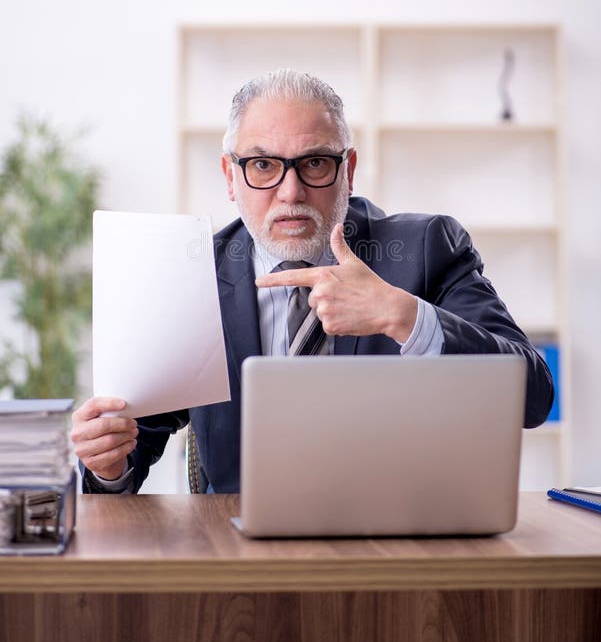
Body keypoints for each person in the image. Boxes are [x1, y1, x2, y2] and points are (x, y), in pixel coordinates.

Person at [72, 69, 554, 493]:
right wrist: (108, 465)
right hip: (237, 549)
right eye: (263, 165)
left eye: (315, 163)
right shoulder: (195, 275)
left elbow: (532, 396)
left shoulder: (425, 250)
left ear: (349, 171)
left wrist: (405, 316)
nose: (291, 192)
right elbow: (133, 444)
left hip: (397, 539)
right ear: (230, 176)